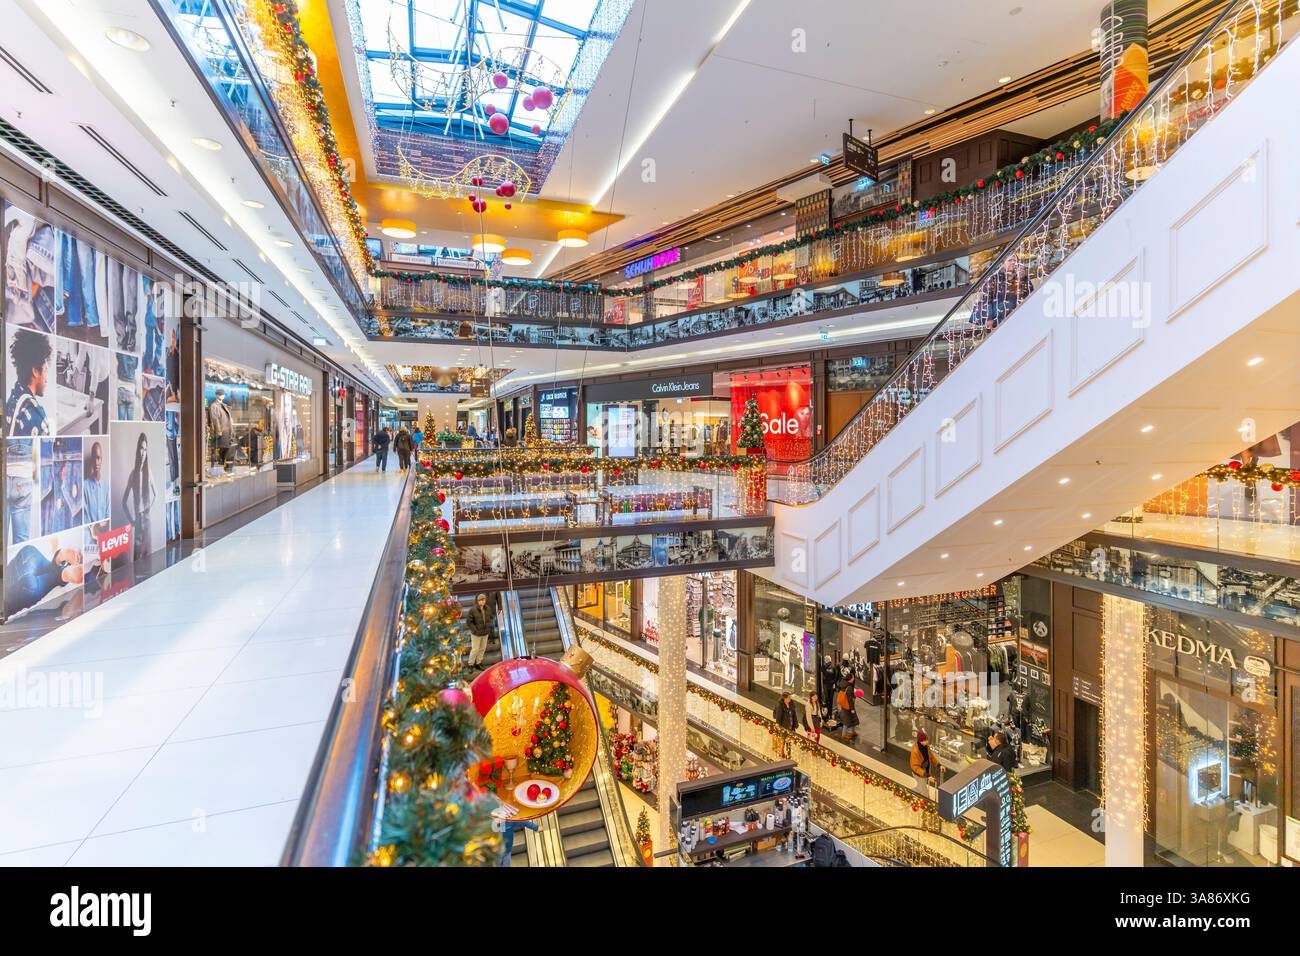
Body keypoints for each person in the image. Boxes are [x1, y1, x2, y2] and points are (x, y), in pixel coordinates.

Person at [3, 542, 82, 618]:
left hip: (28, 563)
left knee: (29, 586)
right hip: (29, 557)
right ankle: (60, 570)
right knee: (29, 585)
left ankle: (61, 571)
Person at [6, 327, 51, 436]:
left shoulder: (11, 401)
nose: (47, 380)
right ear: (35, 371)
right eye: (45, 370)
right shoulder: (38, 418)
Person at [122, 432, 157, 561]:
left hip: (147, 522)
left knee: (148, 557)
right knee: (137, 559)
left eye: (145, 449)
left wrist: (149, 510)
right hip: (138, 522)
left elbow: (156, 495)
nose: (143, 453)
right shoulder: (133, 474)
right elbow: (123, 502)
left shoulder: (149, 473)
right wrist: (132, 521)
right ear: (138, 450)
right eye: (141, 449)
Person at [466, 593, 496, 668]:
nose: (482, 602)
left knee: (482, 648)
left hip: (485, 633)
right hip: (476, 634)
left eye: (483, 600)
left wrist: (488, 627)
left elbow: (491, 617)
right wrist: (475, 630)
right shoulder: (472, 610)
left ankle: (478, 662)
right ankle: (470, 664)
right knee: (475, 649)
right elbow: (469, 622)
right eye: (480, 600)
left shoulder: (488, 608)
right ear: (477, 601)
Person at [83, 440, 110, 523]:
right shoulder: (85, 486)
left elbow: (108, 513)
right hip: (91, 534)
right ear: (91, 460)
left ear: (101, 460)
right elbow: (86, 517)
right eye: (94, 458)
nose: (96, 462)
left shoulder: (107, 485)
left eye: (98, 458)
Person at [834, 661, 858, 739]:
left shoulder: (843, 683)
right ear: (850, 679)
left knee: (852, 719)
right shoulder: (849, 688)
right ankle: (844, 735)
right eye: (853, 678)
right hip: (848, 706)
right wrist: (852, 709)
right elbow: (850, 699)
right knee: (847, 721)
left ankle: (853, 732)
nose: (854, 679)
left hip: (843, 704)